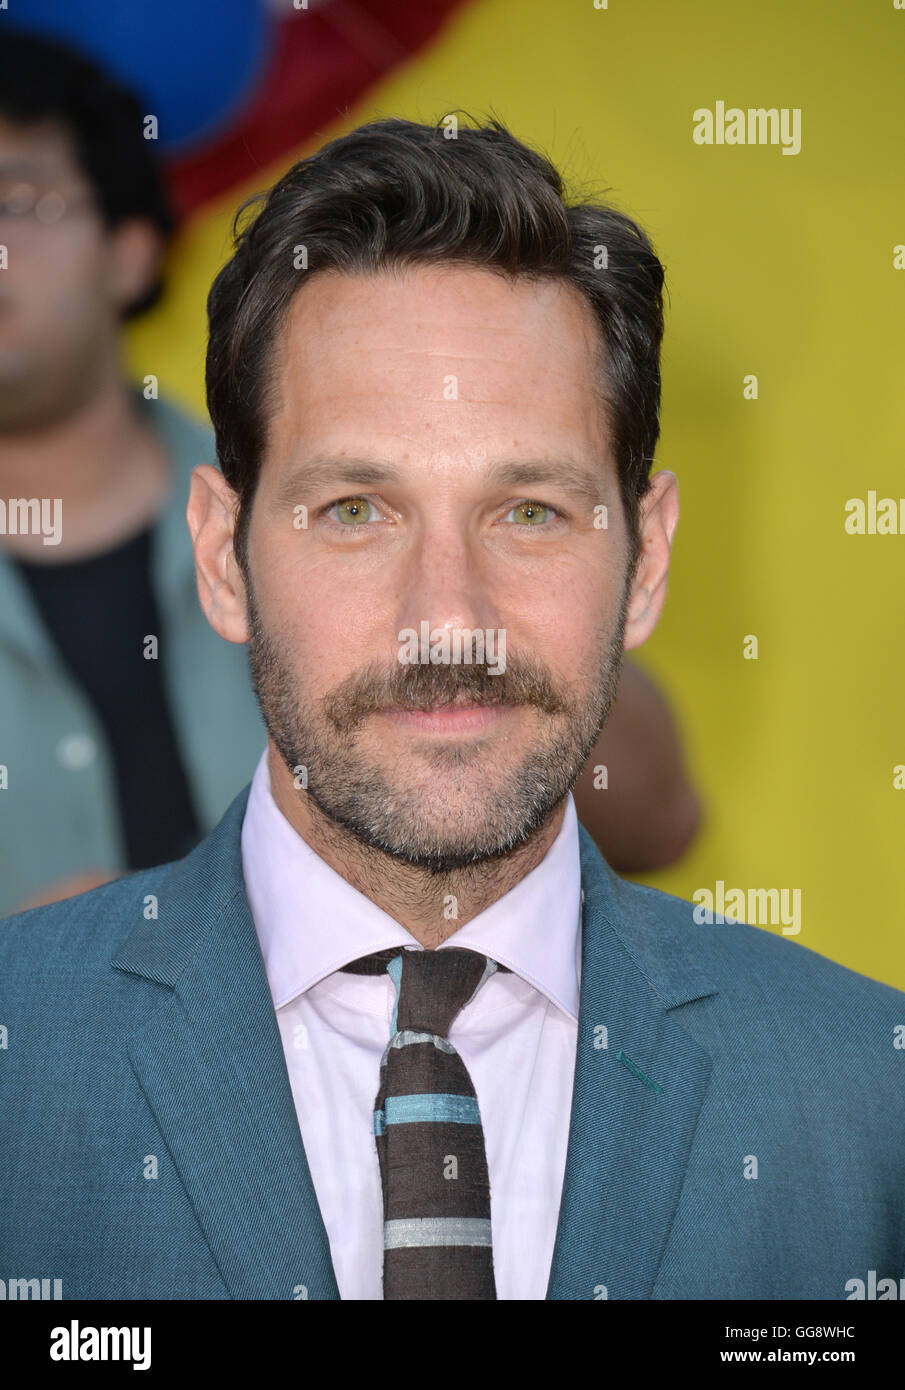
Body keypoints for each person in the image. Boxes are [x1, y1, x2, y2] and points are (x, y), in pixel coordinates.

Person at [4, 116, 892, 1303]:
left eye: (526, 509)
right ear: (220, 557)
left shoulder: (863, 1100)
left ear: (646, 558)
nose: (447, 618)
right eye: (357, 509)